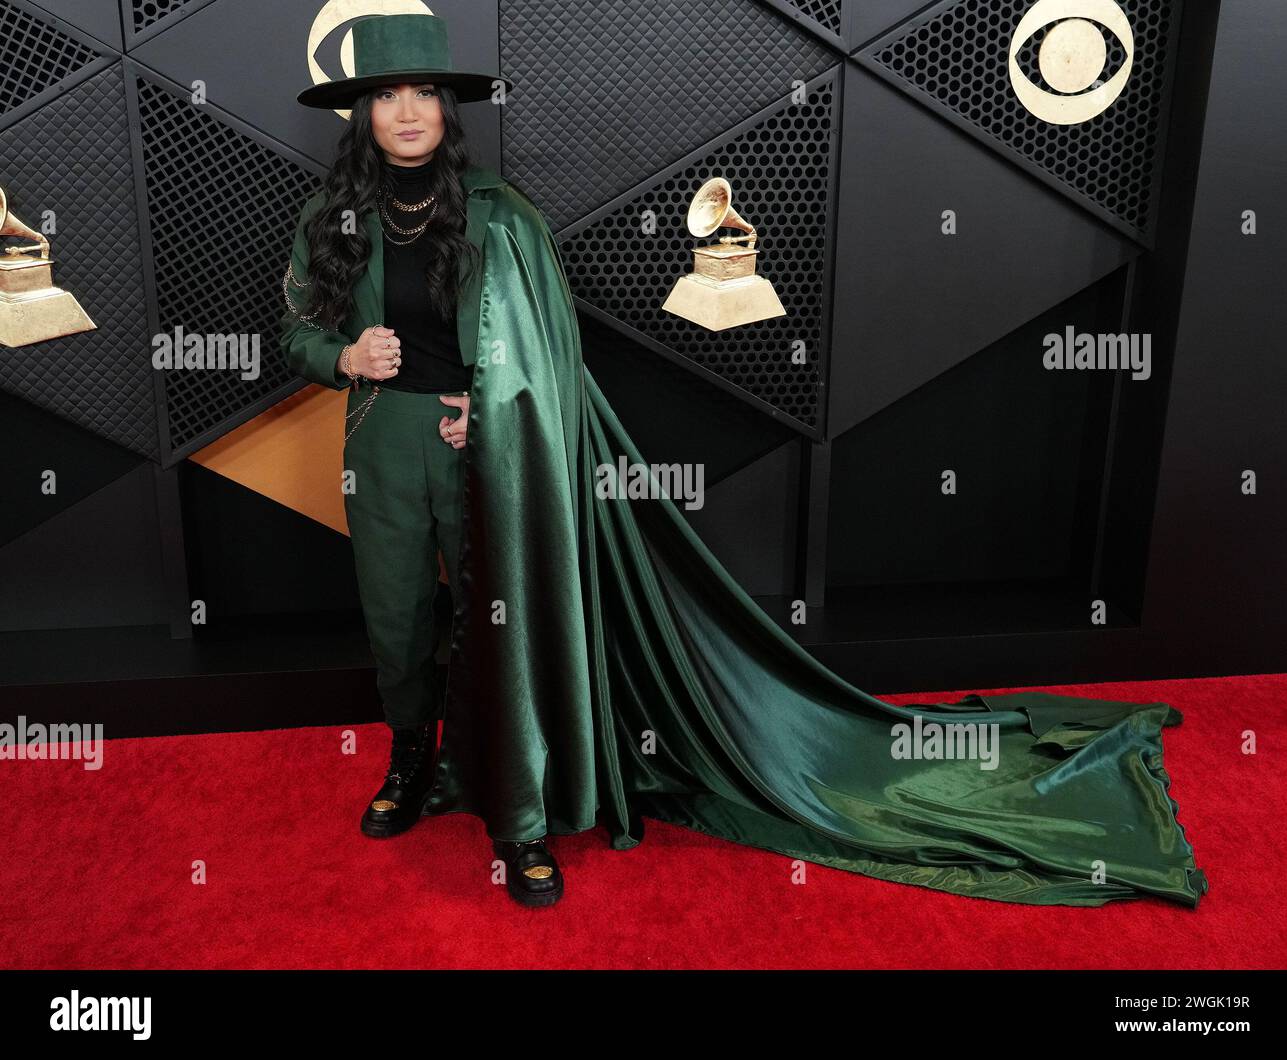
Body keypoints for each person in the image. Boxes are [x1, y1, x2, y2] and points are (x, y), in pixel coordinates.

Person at [284, 13, 1208, 912]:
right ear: (362, 113)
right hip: (387, 445)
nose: (407, 111)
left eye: (425, 93)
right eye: (386, 95)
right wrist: (344, 358)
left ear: (449, 109)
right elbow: (297, 333)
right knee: (399, 616)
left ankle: (521, 816)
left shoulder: (503, 216)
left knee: (511, 617)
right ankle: (413, 762)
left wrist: (495, 408)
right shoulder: (333, 217)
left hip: (494, 448)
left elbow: (549, 357)